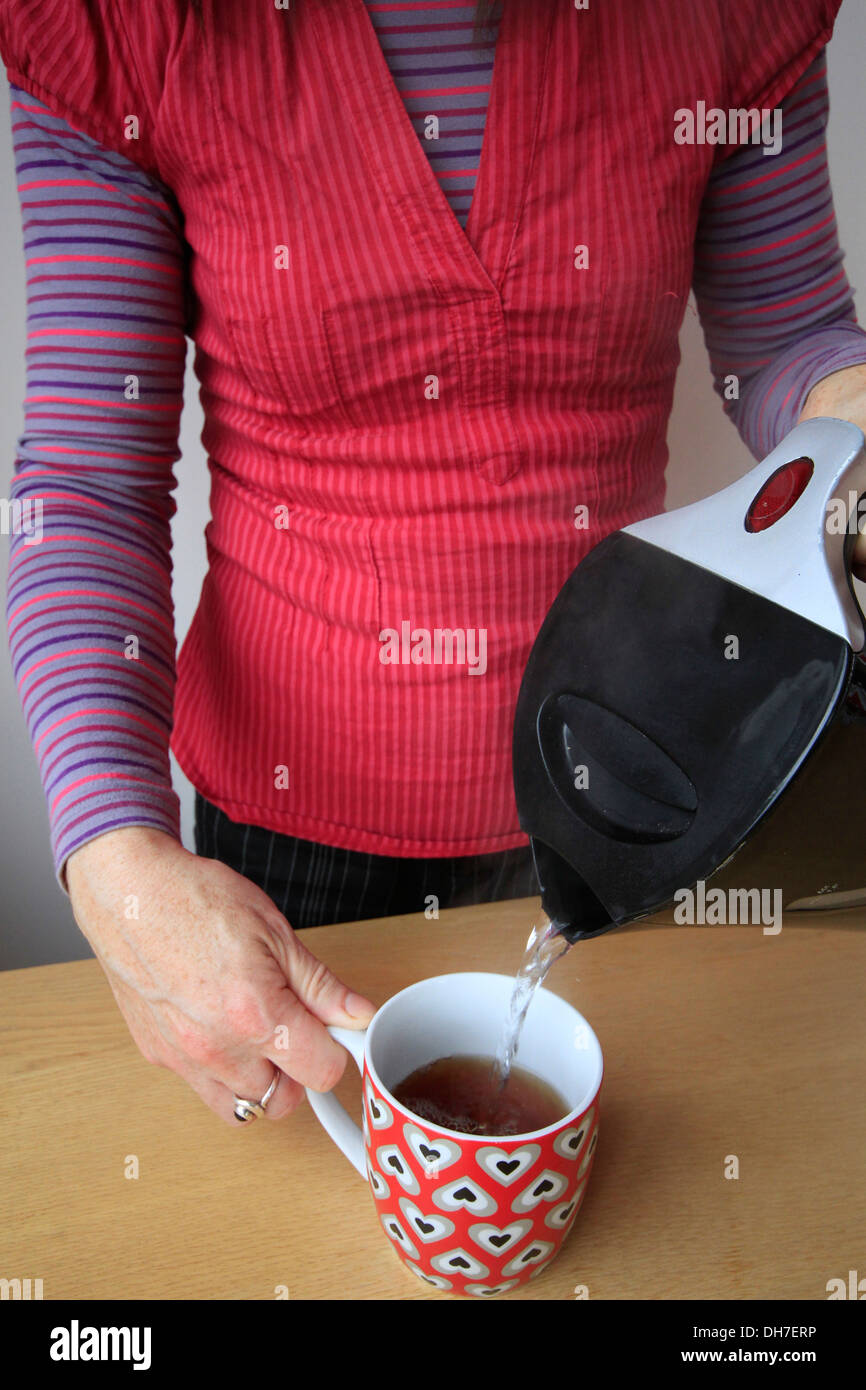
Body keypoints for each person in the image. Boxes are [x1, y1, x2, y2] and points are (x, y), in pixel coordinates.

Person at [3, 0, 866, 1127]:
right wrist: (115, 865)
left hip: (626, 769)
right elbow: (85, 483)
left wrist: (848, 415)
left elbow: (786, 335)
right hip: (288, 846)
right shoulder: (127, 31)